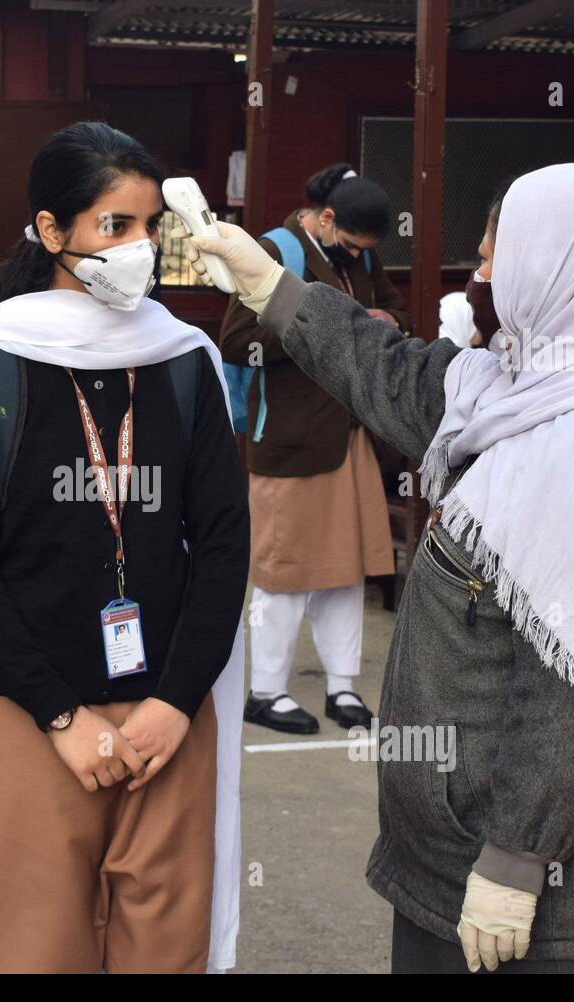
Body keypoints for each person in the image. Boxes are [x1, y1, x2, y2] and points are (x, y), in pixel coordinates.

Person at [185, 162, 574, 973]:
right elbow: (392, 369)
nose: (482, 270)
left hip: (549, 916)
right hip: (457, 869)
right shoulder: (517, 391)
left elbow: (572, 687)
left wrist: (517, 857)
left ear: (570, 264)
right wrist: (273, 287)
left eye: (499, 250)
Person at [0, 121, 249, 973]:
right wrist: (62, 717)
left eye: (152, 227)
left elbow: (222, 546)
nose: (141, 249)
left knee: (164, 951)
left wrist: (177, 701)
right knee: (27, 948)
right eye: (117, 226)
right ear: (50, 230)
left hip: (166, 722)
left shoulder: (186, 361)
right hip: (24, 719)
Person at [221, 165, 405, 734]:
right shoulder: (274, 254)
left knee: (346, 572)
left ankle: (342, 687)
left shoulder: (363, 257)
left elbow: (395, 310)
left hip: (350, 437)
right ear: (326, 220)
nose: (355, 257)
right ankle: (265, 692)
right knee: (284, 574)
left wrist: (385, 319)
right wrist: (317, 327)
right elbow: (234, 341)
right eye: (348, 245)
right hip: (291, 439)